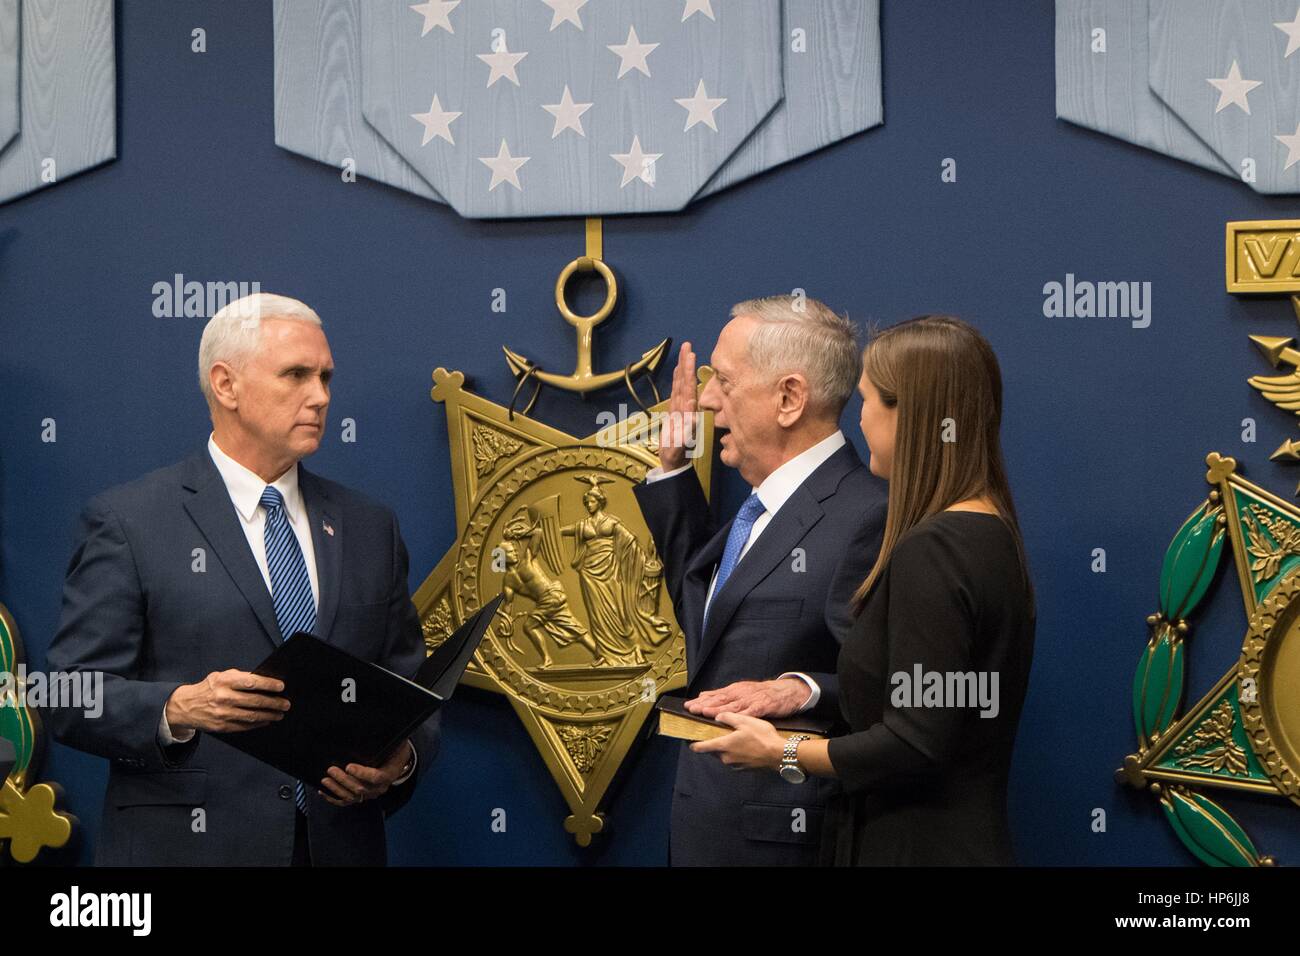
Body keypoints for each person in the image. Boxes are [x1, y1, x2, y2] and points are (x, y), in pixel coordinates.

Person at [45, 293, 437, 866]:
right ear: (226, 385)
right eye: (297, 375)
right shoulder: (130, 521)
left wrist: (400, 760)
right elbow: (68, 694)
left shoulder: (369, 525)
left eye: (326, 377)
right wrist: (179, 707)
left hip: (340, 850)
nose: (321, 396)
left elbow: (411, 688)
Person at [692, 314, 1036, 865]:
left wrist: (780, 750)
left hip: (915, 846)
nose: (860, 420)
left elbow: (915, 740)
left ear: (914, 416)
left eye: (868, 401)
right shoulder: (990, 530)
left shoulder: (936, 546)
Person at [633, 295, 888, 866]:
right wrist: (672, 470)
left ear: (789, 398)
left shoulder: (868, 516)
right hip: (707, 829)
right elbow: (712, 611)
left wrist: (803, 686)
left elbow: (897, 688)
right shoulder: (761, 508)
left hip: (786, 843)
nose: (705, 398)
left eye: (723, 379)